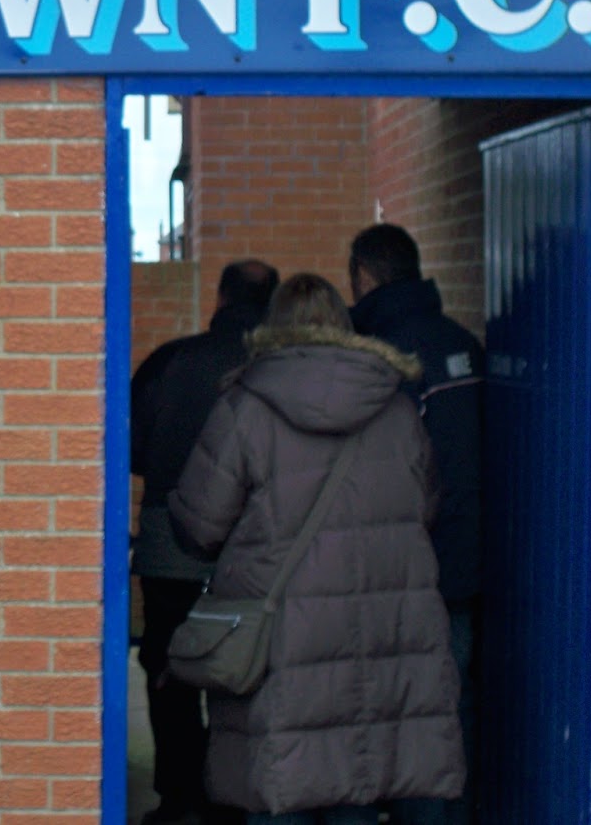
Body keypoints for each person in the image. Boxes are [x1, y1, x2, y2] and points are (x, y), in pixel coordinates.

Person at [168, 274, 464, 823]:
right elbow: (424, 510)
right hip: (382, 629)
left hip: (282, 637)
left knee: (282, 779)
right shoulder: (397, 411)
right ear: (346, 324)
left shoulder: (245, 409)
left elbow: (200, 526)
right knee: (353, 775)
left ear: (272, 328)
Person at [131, 260, 279, 825]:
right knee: (246, 673)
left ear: (219, 298)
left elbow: (129, 447)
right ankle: (233, 801)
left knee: (169, 670)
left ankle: (180, 798)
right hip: (255, 548)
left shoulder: (171, 361)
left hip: (172, 546)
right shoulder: (278, 370)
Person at [348, 224, 484, 825]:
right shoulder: (464, 345)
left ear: (364, 277)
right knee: (450, 718)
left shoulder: (381, 360)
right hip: (468, 570)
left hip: (404, 576)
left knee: (409, 727)